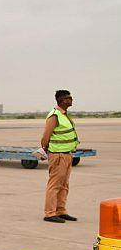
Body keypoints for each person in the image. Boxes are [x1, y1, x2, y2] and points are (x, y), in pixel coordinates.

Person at [41, 90, 79, 223]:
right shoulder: (55, 115)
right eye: (69, 98)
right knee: (55, 185)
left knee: (64, 185)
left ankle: (61, 210)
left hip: (67, 154)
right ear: (63, 100)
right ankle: (50, 213)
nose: (72, 100)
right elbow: (46, 137)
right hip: (58, 155)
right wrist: (44, 150)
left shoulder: (64, 115)